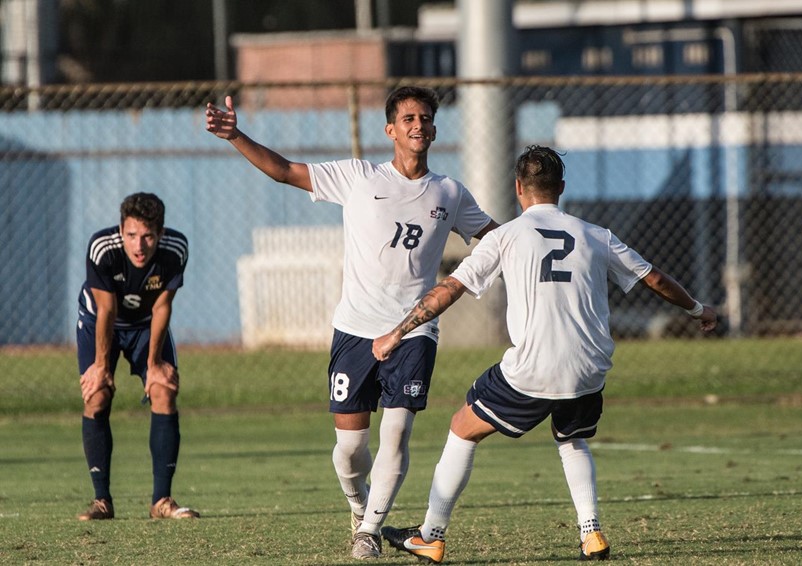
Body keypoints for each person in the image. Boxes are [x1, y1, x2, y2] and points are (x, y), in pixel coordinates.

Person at [372, 145, 718, 564]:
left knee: (462, 428)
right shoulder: (596, 235)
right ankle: (591, 533)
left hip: (533, 370)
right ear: (562, 188)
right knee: (572, 440)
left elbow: (449, 289)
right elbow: (656, 279)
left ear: (519, 188)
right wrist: (699, 310)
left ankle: (431, 534)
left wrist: (396, 332)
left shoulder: (505, 236)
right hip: (590, 366)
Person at [205, 86, 498, 559]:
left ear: (435, 128)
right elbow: (284, 171)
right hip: (355, 330)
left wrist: (490, 264)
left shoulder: (450, 192)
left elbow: (495, 239)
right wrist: (235, 135)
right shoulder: (358, 177)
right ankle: (362, 511)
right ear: (390, 130)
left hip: (413, 331)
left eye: (425, 117)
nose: (418, 125)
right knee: (350, 450)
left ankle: (369, 533)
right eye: (408, 119)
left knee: (397, 433)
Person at [76, 192, 198, 521]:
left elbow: (161, 306)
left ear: (160, 233)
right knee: (97, 395)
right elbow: (106, 309)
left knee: (164, 390)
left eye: (147, 236)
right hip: (101, 322)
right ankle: (102, 501)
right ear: (121, 230)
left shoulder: (176, 248)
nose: (138, 246)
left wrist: (155, 363)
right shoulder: (102, 248)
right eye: (131, 235)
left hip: (146, 325)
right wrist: (101, 367)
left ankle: (161, 501)